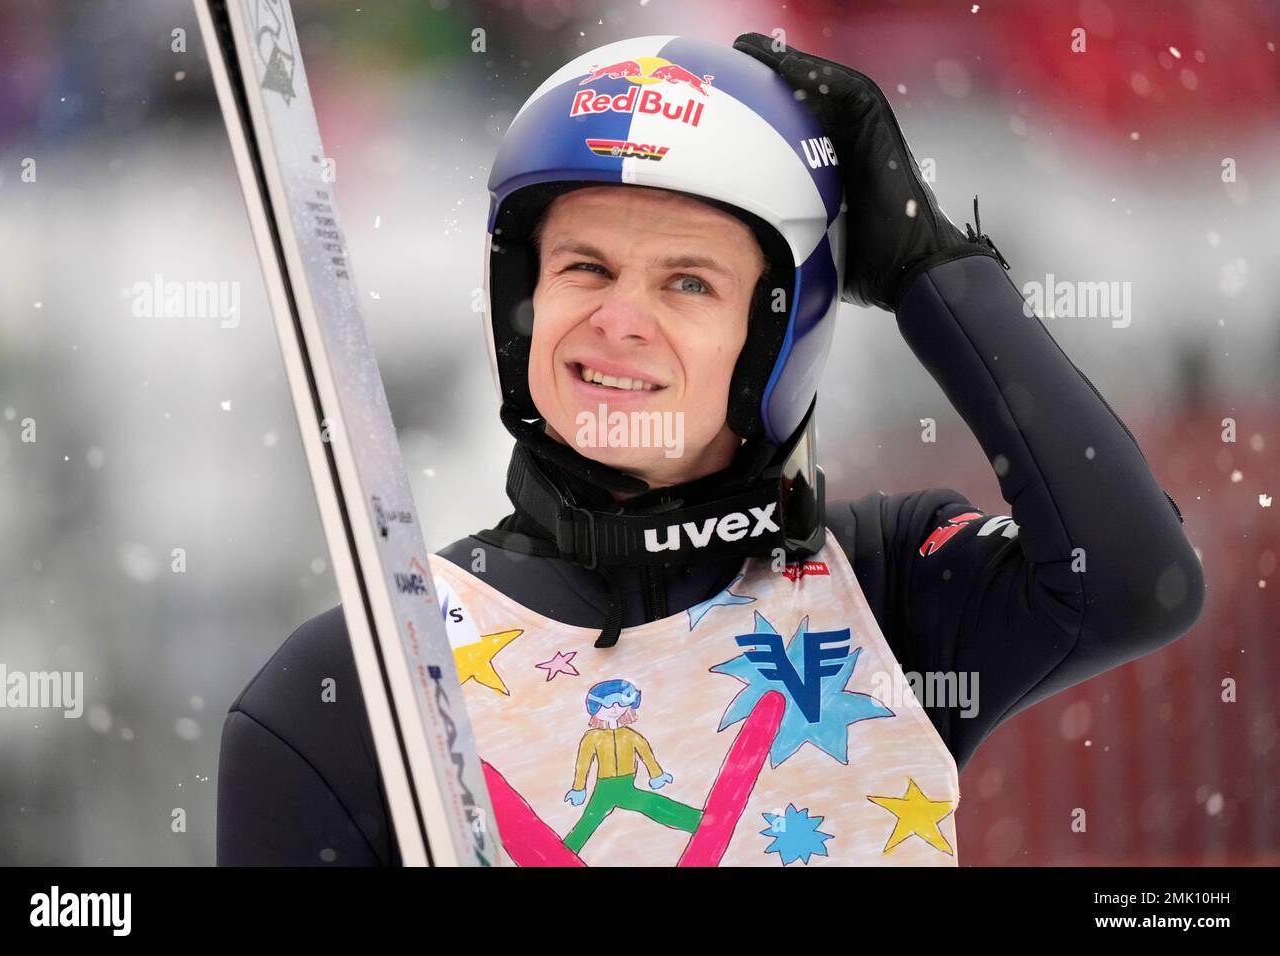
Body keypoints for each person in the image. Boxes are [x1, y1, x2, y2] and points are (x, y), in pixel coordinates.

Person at [216, 34, 1205, 867]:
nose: (620, 321)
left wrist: (930, 272)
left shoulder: (887, 588)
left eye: (688, 282)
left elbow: (1135, 579)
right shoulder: (355, 683)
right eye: (583, 267)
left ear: (777, 333)